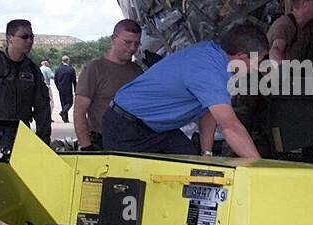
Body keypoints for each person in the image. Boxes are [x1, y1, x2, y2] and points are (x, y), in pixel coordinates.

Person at [104, 24, 266, 158]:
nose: (256, 68)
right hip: (126, 124)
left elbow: (208, 112)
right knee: (129, 187)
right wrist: (261, 168)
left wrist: (206, 154)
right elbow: (231, 127)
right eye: (257, 62)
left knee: (192, 164)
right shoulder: (208, 69)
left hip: (158, 128)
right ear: (242, 56)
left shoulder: (216, 58)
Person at [0, 19, 51, 143]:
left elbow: (43, 109)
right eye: (24, 37)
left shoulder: (34, 71)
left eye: (32, 37)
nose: (29, 41)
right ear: (10, 38)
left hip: (20, 138)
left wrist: (43, 141)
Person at [74, 22, 140, 150]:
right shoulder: (95, 69)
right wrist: (87, 146)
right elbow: (79, 112)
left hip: (133, 141)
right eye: (127, 42)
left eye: (136, 43)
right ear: (113, 39)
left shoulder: (137, 71)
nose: (132, 48)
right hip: (103, 141)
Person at [54, 54, 77, 125]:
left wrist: (58, 87)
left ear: (62, 61)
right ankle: (63, 112)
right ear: (68, 61)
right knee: (69, 103)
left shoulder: (57, 69)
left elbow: (55, 79)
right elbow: (74, 81)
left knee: (63, 103)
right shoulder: (71, 69)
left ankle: (65, 119)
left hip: (60, 88)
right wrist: (75, 89)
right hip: (68, 88)